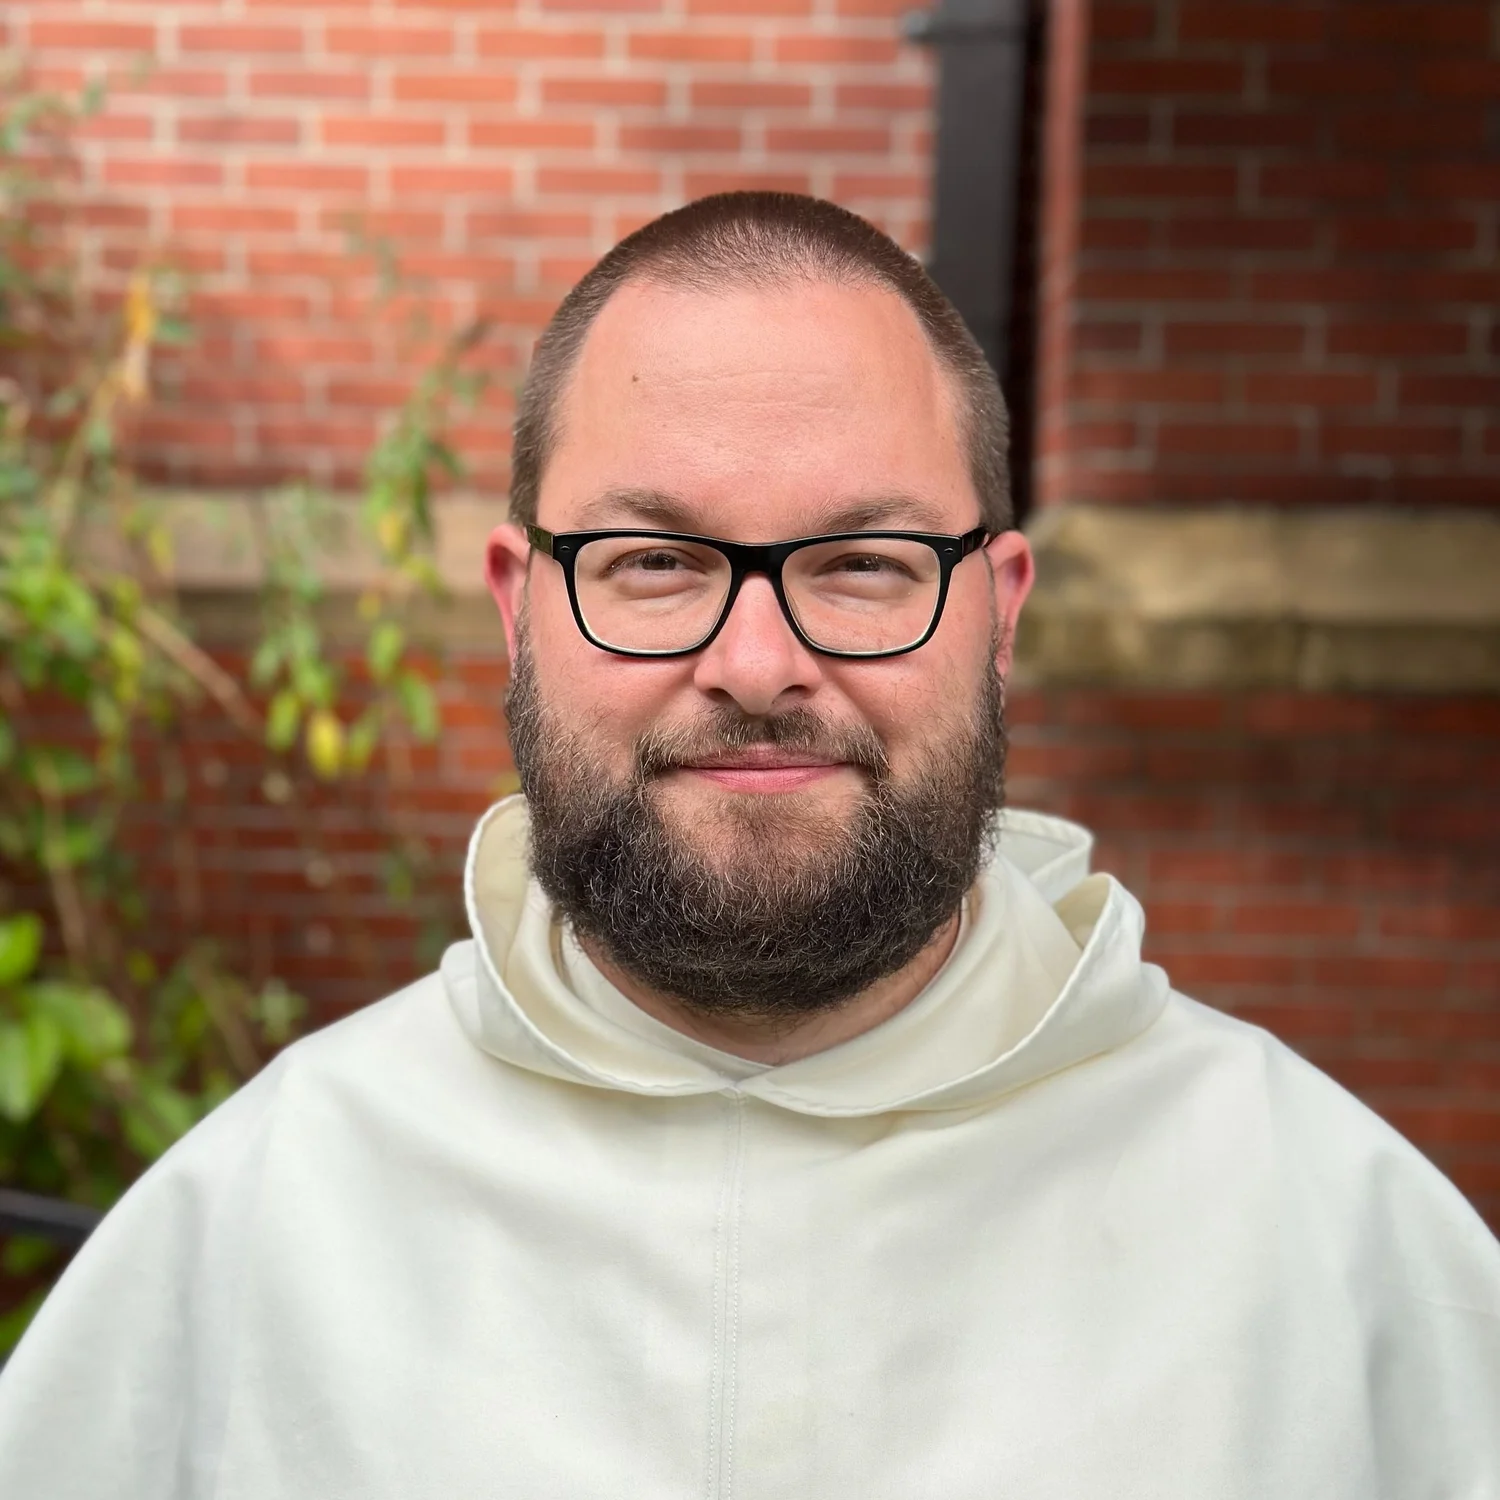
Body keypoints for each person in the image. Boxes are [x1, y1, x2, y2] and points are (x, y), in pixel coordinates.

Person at [1, 192, 1496, 1498]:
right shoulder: (262, 1223)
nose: (760, 661)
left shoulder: (1335, 1246)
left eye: (862, 563)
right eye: (656, 562)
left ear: (1001, 612)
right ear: (520, 610)